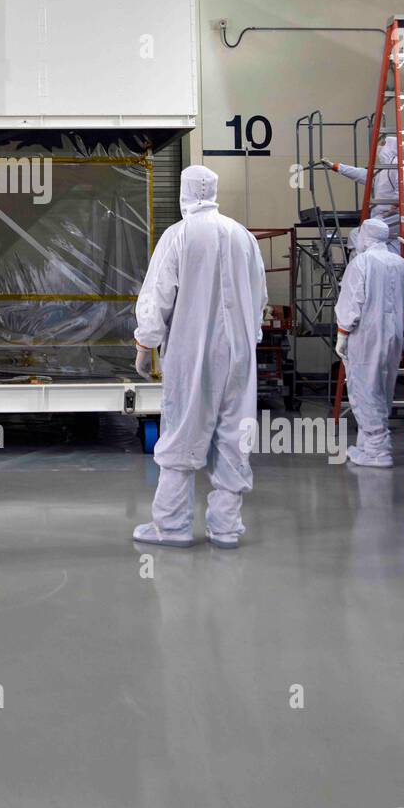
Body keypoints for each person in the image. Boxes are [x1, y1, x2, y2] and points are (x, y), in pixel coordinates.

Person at [131, 165, 268, 549]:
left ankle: (172, 526)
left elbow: (158, 295)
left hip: (193, 353)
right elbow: (259, 297)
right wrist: (249, 336)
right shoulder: (243, 237)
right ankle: (225, 528)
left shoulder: (179, 235)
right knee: (234, 434)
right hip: (240, 354)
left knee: (182, 432)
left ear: (184, 192)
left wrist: (146, 343)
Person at [334, 218, 404, 468]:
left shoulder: (361, 262)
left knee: (365, 389)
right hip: (394, 335)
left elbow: (352, 301)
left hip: (366, 335)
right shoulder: (399, 263)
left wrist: (342, 332)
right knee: (383, 388)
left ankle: (378, 450)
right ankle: (367, 444)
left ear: (365, 236)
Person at [322, 136, 404, 253]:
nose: (379, 149)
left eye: (381, 145)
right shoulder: (383, 170)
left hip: (393, 217)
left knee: (358, 236)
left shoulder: (397, 165)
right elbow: (362, 175)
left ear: (387, 146)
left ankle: (361, 267)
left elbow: (403, 186)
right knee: (387, 249)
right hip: (383, 217)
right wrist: (337, 167)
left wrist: (394, 206)